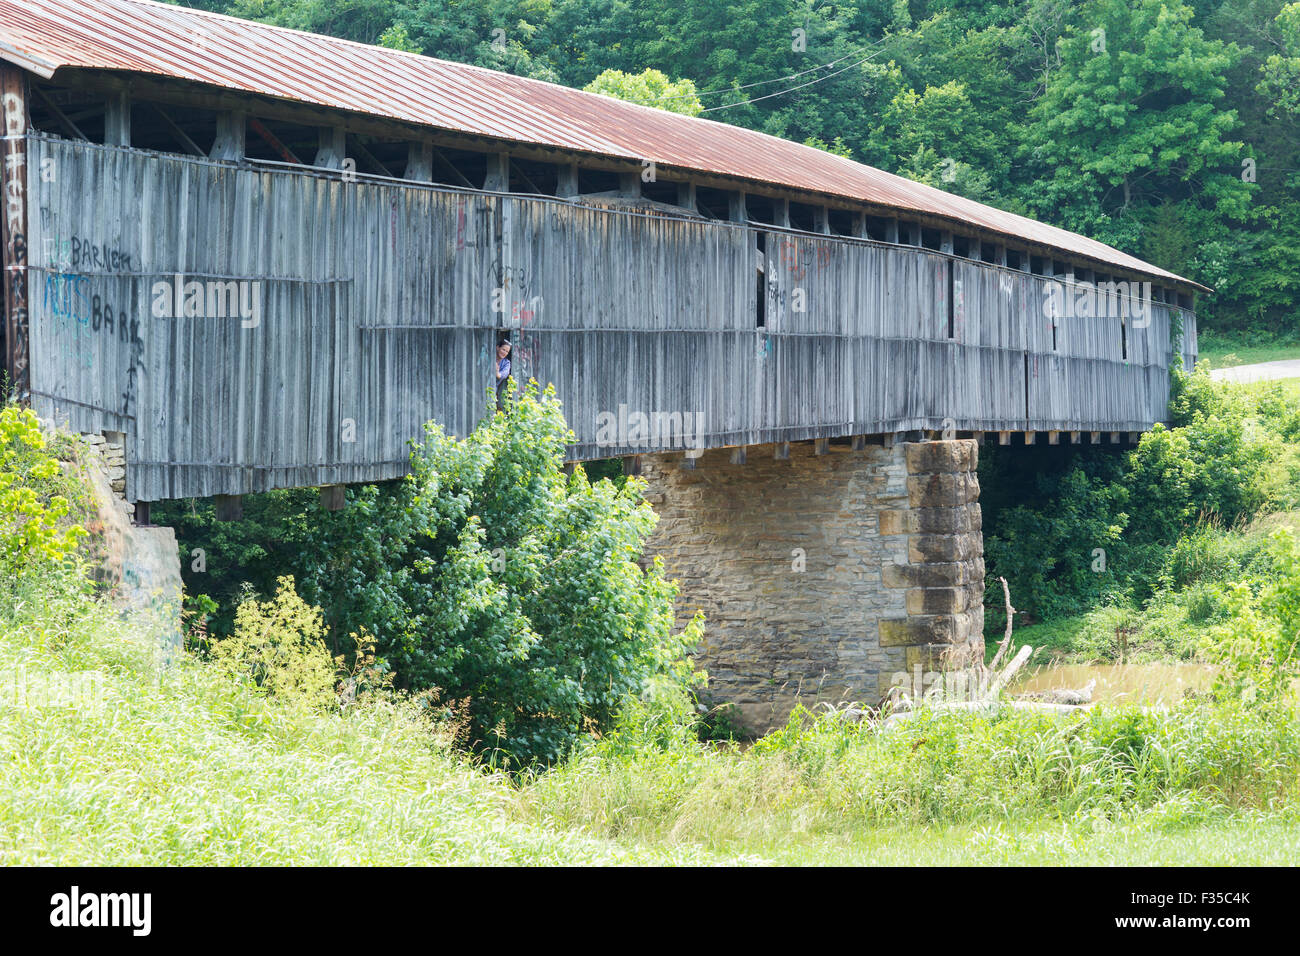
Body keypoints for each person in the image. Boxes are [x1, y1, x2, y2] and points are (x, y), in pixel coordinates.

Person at [493, 338, 512, 410]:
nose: (505, 353)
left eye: (507, 351)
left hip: (492, 390)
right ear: (497, 347)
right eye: (503, 349)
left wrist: (497, 371)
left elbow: (502, 375)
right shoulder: (490, 357)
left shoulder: (506, 363)